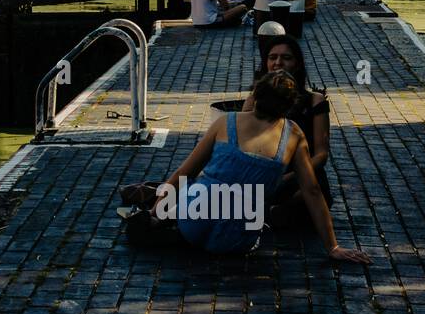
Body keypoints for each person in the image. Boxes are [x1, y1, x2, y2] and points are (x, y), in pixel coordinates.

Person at [121, 71, 370, 263]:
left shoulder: (227, 121)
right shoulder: (294, 134)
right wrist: (333, 247)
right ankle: (167, 221)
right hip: (238, 239)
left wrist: (156, 211)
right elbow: (313, 192)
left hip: (193, 221)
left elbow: (184, 173)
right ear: (288, 106)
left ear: (255, 96)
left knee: (197, 188)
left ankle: (158, 220)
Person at [244, 35, 331, 226]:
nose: (278, 63)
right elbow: (242, 145)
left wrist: (290, 176)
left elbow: (321, 154)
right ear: (266, 63)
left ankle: (269, 212)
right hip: (266, 170)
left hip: (301, 173)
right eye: (272, 57)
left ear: (297, 64)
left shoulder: (315, 101)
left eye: (286, 58)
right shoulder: (254, 100)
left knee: (312, 191)